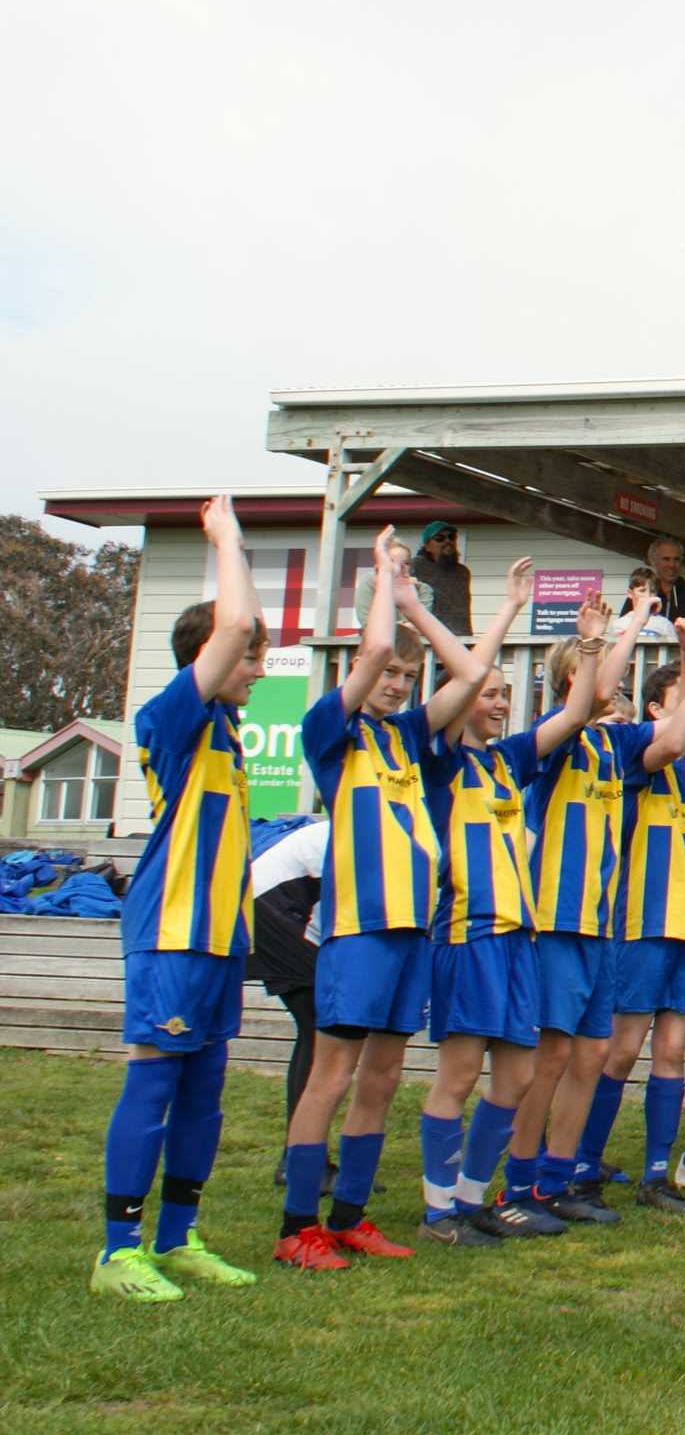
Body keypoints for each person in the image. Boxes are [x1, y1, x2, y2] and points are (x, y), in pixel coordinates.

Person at [277, 525, 480, 1271]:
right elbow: (365, 656)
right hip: (358, 928)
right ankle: (298, 1224)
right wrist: (383, 581)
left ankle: (352, 1216)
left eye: (403, 676)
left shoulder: (410, 740)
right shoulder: (329, 730)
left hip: (410, 931)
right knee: (332, 1074)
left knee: (385, 1076)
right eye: (388, 674)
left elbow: (469, 669)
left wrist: (417, 614)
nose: (394, 683)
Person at [93, 495, 266, 1302]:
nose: (260, 668)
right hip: (169, 929)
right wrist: (227, 538)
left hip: (219, 939)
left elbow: (238, 632)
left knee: (204, 1089)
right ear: (207, 657)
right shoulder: (172, 713)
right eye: (250, 657)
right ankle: (118, 1250)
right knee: (155, 1079)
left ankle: (178, 1236)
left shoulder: (229, 732)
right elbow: (231, 625)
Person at [405, 559, 606, 1247]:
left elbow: (577, 711)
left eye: (505, 694)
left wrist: (589, 644)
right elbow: (462, 675)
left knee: (516, 1076)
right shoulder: (437, 763)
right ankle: (438, 1213)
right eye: (489, 693)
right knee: (460, 1074)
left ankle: (471, 1198)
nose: (497, 702)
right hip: (468, 934)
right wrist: (509, 610)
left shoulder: (506, 759)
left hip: (519, 938)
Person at [502, 582, 663, 1225]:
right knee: (552, 1055)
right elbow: (586, 701)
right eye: (591, 671)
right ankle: (516, 1187)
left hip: (599, 920)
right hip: (554, 918)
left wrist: (642, 619)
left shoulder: (611, 748)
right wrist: (607, 637)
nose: (611, 690)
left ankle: (557, 1178)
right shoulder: (556, 736)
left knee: (591, 1056)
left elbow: (649, 725)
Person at [594, 623, 685, 1214]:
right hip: (640, 925)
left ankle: (655, 1173)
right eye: (682, 704)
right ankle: (581, 1162)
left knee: (673, 1053)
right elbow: (668, 741)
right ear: (652, 710)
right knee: (621, 1051)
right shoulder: (641, 759)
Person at [248, 818, 329, 1189]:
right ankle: (298, 1159)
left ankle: (304, 1155)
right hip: (273, 909)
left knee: (320, 1034)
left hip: (288, 907)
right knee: (321, 1032)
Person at [350, 539, 433, 635]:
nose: (401, 567)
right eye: (393, 562)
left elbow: (424, 627)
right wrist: (408, 626)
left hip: (411, 648)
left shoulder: (423, 589)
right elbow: (369, 626)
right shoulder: (369, 581)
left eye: (406, 563)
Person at [411, 522, 473, 637]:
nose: (447, 541)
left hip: (461, 637)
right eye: (440, 538)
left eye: (451, 537)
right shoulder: (417, 566)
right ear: (427, 546)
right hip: (429, 638)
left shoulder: (463, 572)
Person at [638, 536, 685, 626]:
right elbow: (623, 632)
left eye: (676, 559)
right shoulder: (641, 593)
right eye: (666, 559)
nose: (672, 565)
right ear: (653, 561)